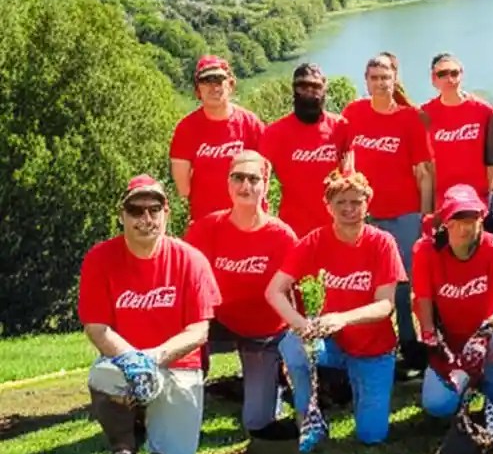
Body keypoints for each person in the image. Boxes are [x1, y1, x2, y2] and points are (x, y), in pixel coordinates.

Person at [77, 175, 221, 454]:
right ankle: (123, 453)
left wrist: (153, 358)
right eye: (135, 210)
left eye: (154, 209)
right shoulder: (99, 259)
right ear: (121, 215)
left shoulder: (191, 259)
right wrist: (131, 359)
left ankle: (143, 437)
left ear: (166, 213)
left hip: (177, 365)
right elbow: (96, 327)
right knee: (103, 376)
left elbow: (199, 330)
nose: (146, 219)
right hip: (124, 362)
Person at [185, 151, 321, 449]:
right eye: (238, 177)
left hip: (263, 330)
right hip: (217, 323)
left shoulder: (282, 236)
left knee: (257, 423)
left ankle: (277, 388)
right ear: (228, 183)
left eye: (253, 179)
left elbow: (296, 293)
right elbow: (186, 284)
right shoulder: (205, 228)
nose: (245, 185)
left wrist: (302, 333)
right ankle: (176, 403)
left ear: (266, 185)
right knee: (187, 339)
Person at [266, 170, 406, 446]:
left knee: (371, 436)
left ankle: (350, 390)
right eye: (341, 202)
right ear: (328, 206)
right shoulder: (315, 240)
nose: (348, 209)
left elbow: (385, 305)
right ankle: (309, 418)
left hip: (373, 347)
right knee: (293, 346)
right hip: (331, 343)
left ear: (368, 204)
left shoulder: (382, 243)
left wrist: (343, 318)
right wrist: (301, 324)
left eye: (356, 202)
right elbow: (274, 291)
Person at [342, 52, 435, 369]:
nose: (380, 84)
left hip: (405, 213)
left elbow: (424, 172)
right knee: (370, 281)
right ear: (365, 81)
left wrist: (425, 217)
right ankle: (371, 344)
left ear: (395, 79)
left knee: (405, 283)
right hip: (365, 215)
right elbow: (345, 160)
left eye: (385, 78)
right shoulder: (353, 113)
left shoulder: (409, 118)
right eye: (374, 78)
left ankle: (412, 343)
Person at [414, 185, 493, 439]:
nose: (464, 227)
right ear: (445, 222)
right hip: (449, 340)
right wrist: (430, 336)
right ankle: (464, 384)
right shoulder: (426, 250)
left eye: (470, 219)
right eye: (456, 219)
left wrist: (490, 326)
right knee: (437, 406)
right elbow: (422, 300)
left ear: (481, 220)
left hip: (486, 336)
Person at [260, 63, 353, 238]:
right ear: (294, 89)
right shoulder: (274, 132)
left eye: (316, 86)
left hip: (336, 228)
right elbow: (259, 181)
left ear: (324, 88)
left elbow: (351, 176)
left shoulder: (341, 127)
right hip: (292, 231)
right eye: (303, 86)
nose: (310, 91)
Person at [169, 55, 265, 224]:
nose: (214, 87)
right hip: (207, 224)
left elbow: (265, 171)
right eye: (206, 81)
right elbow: (183, 188)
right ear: (197, 90)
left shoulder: (250, 123)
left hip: (249, 221)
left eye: (219, 80)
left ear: (231, 85)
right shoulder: (186, 129)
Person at [421, 54, 493, 214]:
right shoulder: (425, 113)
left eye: (454, 73)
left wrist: (487, 194)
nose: (449, 79)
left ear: (461, 75)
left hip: (476, 199)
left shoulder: (484, 111)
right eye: (442, 74)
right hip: (442, 199)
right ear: (433, 79)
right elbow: (424, 167)